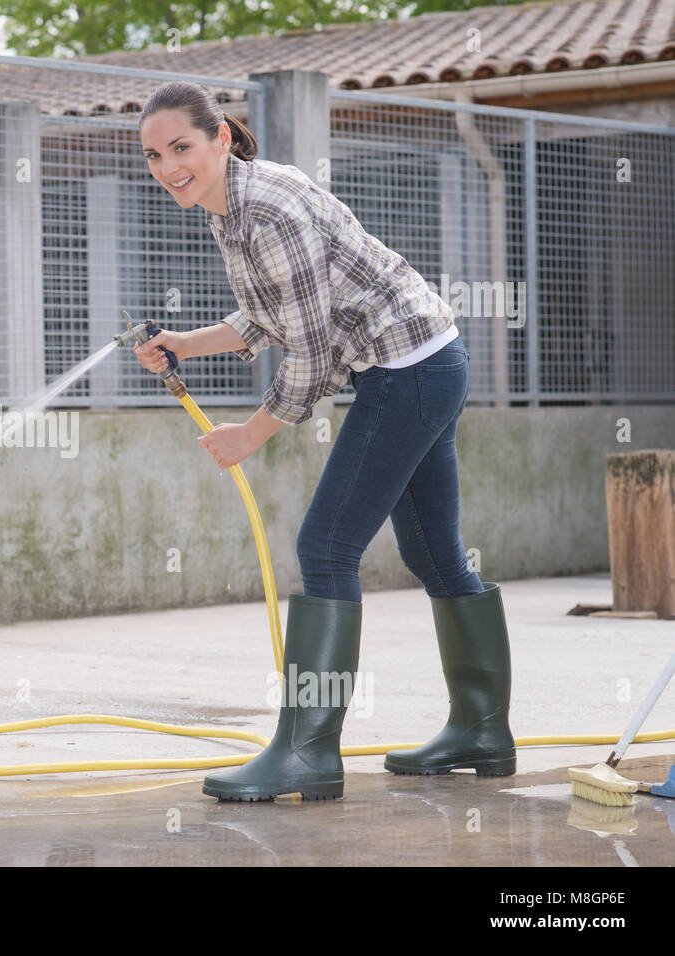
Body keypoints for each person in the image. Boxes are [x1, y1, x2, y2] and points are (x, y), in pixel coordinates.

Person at [133, 81, 514, 802]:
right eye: (154, 156)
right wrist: (185, 341)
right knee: (434, 553)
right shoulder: (228, 208)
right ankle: (482, 731)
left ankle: (308, 751)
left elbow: (312, 354)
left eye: (181, 147)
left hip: (407, 368)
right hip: (428, 361)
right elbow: (268, 316)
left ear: (221, 138)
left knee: (326, 548)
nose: (168, 166)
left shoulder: (269, 209)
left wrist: (251, 433)